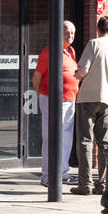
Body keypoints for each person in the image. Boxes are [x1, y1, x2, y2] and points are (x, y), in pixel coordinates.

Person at [33, 19, 78, 185]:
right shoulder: (49, 52)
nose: (70, 35)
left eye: (72, 32)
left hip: (69, 100)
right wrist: (43, 96)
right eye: (67, 32)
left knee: (66, 138)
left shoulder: (71, 52)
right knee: (51, 137)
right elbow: (36, 78)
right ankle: (47, 175)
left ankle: (63, 173)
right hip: (52, 100)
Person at [70, 15, 108, 196]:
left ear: (98, 29)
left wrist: (76, 75)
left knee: (85, 141)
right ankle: (102, 184)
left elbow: (83, 70)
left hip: (87, 98)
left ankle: (85, 183)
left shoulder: (93, 44)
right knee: (104, 144)